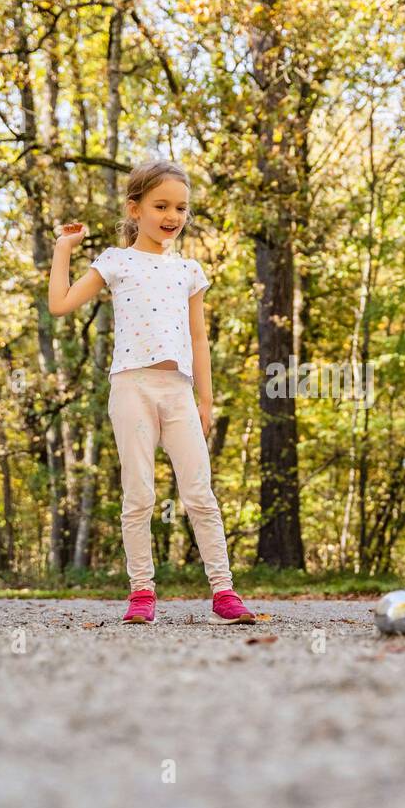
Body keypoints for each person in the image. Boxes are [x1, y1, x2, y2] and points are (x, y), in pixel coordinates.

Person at [47, 159, 255, 625]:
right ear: (135, 208)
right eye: (161, 205)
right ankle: (141, 592)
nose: (172, 216)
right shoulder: (115, 261)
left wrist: (206, 400)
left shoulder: (189, 270)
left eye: (181, 207)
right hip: (131, 387)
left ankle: (224, 592)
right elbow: (60, 304)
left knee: (200, 493)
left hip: (178, 390)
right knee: (138, 493)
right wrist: (63, 249)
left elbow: (199, 337)